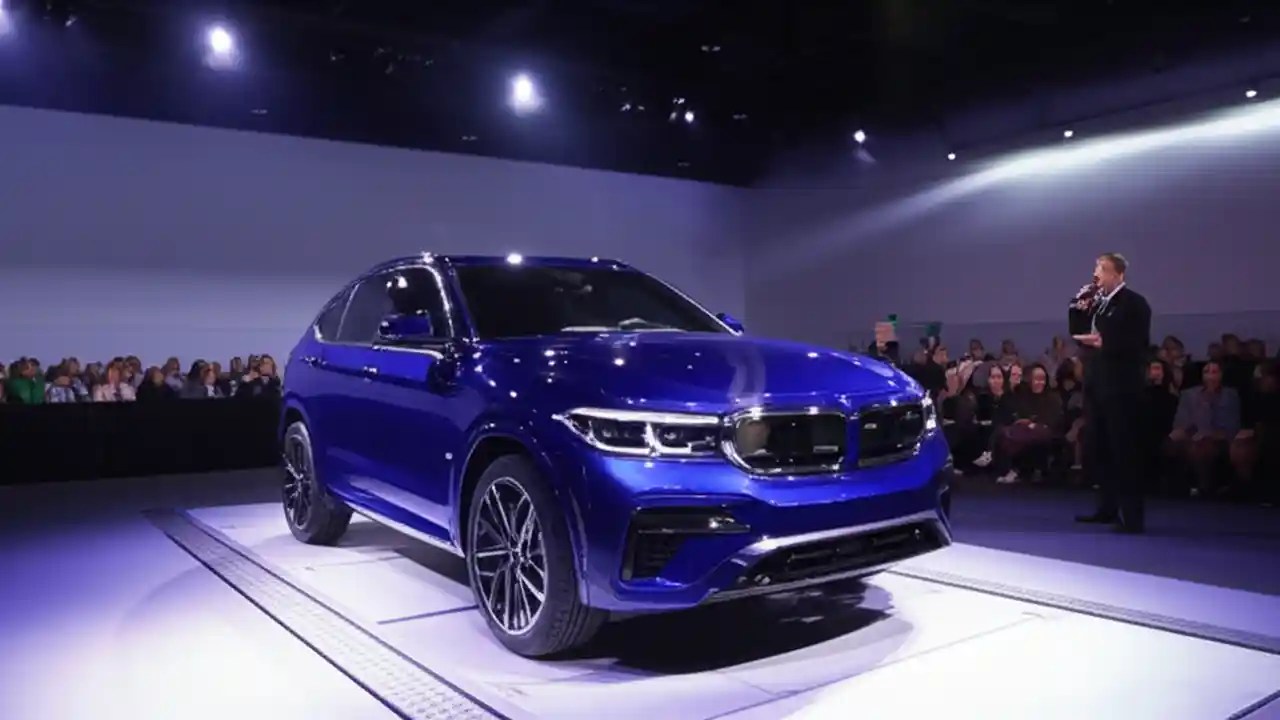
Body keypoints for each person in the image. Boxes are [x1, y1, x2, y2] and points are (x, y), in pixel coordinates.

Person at [1070, 252, 1152, 533]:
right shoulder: (1098, 303)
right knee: (1100, 449)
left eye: (1102, 269)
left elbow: (1136, 343)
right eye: (1096, 268)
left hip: (1122, 388)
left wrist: (1104, 342)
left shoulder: (1134, 304)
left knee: (1124, 451)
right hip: (1098, 386)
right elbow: (1078, 329)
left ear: (1117, 274)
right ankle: (1106, 507)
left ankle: (1132, 516)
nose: (1097, 274)